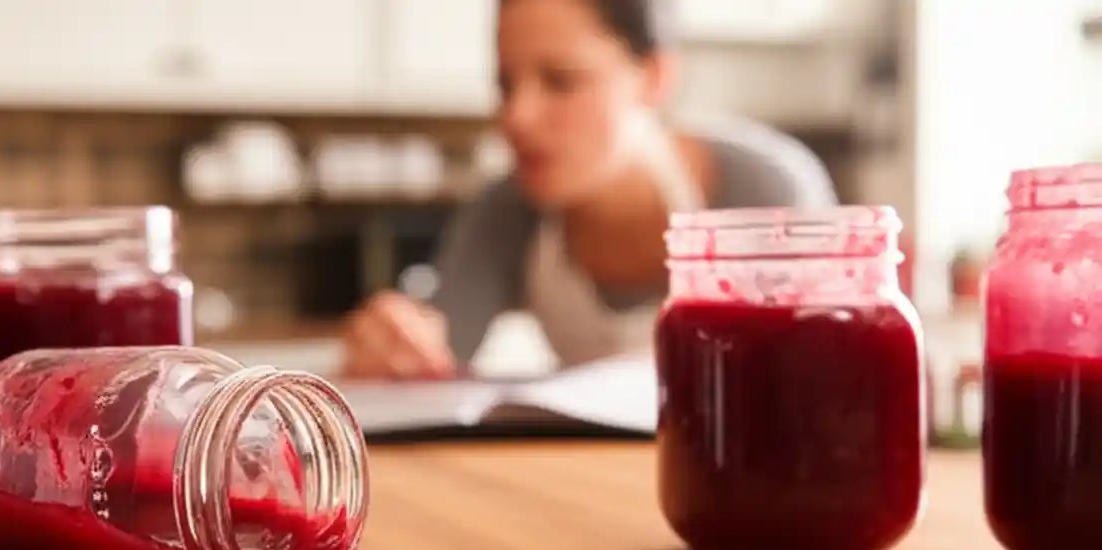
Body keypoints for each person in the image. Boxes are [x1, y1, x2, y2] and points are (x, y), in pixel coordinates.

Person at [341, 0, 836, 380]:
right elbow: (436, 363)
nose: (516, 117)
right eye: (506, 83)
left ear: (654, 78)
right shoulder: (507, 209)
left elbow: (818, 385)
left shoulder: (771, 190)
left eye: (560, 81)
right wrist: (392, 354)